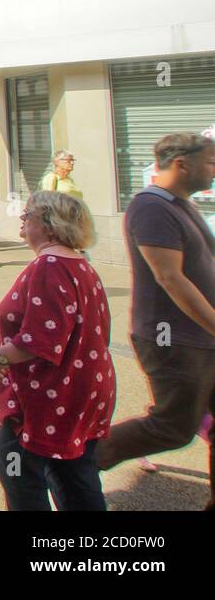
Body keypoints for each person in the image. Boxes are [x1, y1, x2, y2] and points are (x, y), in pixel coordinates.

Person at [96, 133, 215, 508]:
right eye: (210, 161)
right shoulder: (152, 207)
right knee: (173, 427)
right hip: (173, 341)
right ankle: (75, 464)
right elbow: (170, 277)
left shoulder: (182, 205)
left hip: (202, 337)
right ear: (182, 163)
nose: (214, 169)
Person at [0, 190, 114, 511]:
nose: (22, 219)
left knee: (16, 463)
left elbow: (42, 340)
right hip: (83, 389)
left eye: (29, 214)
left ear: (50, 225)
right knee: (72, 473)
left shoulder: (50, 267)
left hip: (53, 394)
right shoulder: (78, 265)